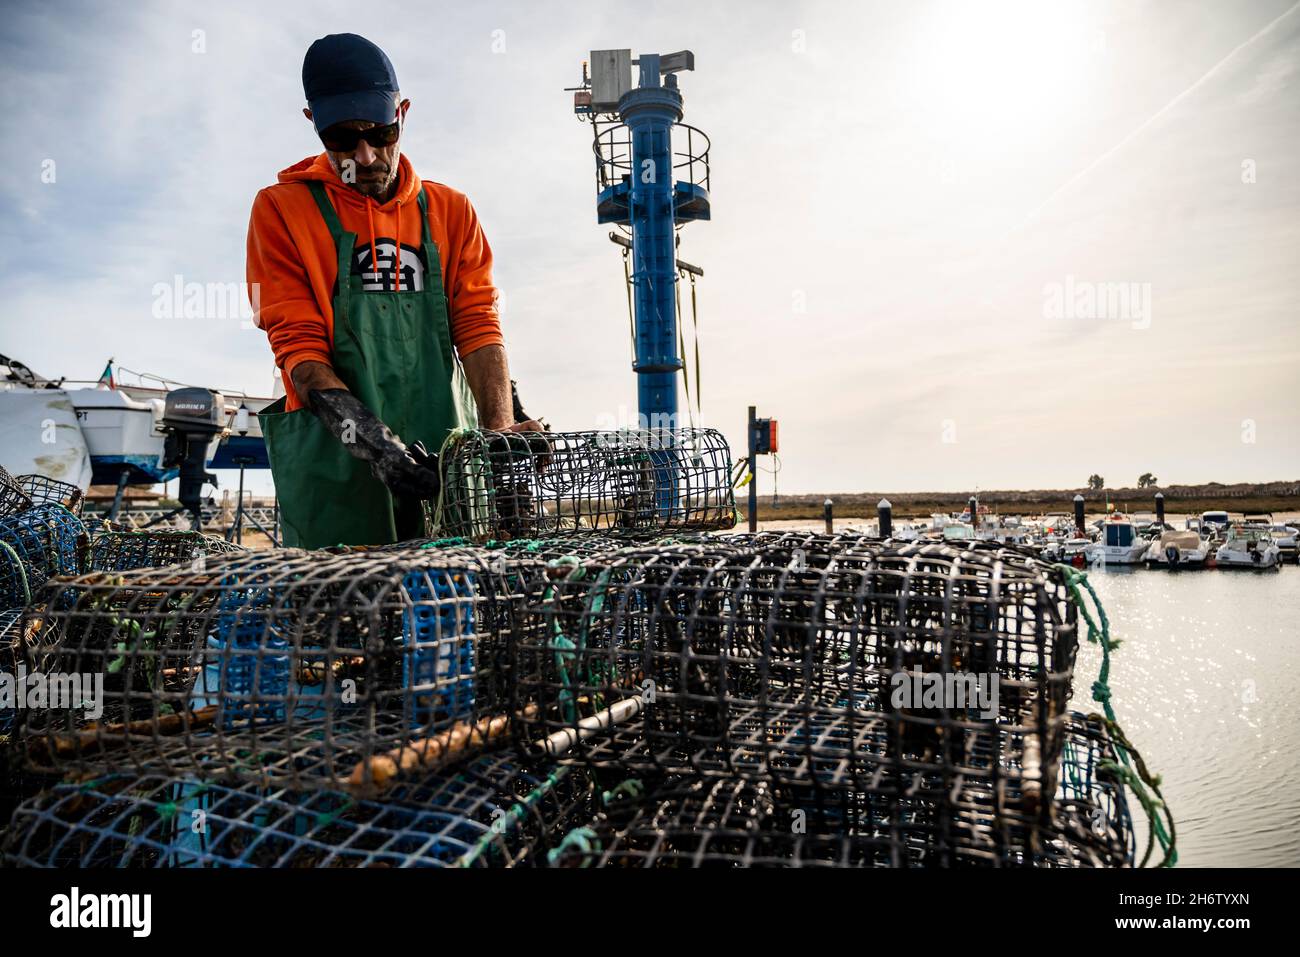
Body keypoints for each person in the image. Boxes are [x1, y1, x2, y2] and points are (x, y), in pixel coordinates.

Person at [247, 33, 541, 548]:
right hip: (336, 465)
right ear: (313, 126)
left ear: (402, 113)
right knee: (342, 617)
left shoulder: (451, 210)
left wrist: (498, 430)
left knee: (451, 608)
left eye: (380, 132)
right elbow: (300, 352)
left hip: (449, 460)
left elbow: (477, 323)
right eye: (342, 138)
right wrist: (379, 449)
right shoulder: (281, 210)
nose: (364, 155)